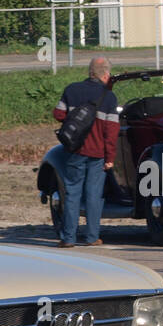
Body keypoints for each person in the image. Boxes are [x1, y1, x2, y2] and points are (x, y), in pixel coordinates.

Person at [53, 56, 118, 247]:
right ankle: (91, 237)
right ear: (106, 75)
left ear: (90, 73)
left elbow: (58, 114)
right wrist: (110, 157)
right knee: (93, 195)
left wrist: (74, 120)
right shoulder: (109, 97)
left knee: (72, 193)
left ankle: (68, 238)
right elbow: (111, 131)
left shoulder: (72, 90)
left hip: (74, 150)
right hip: (97, 154)